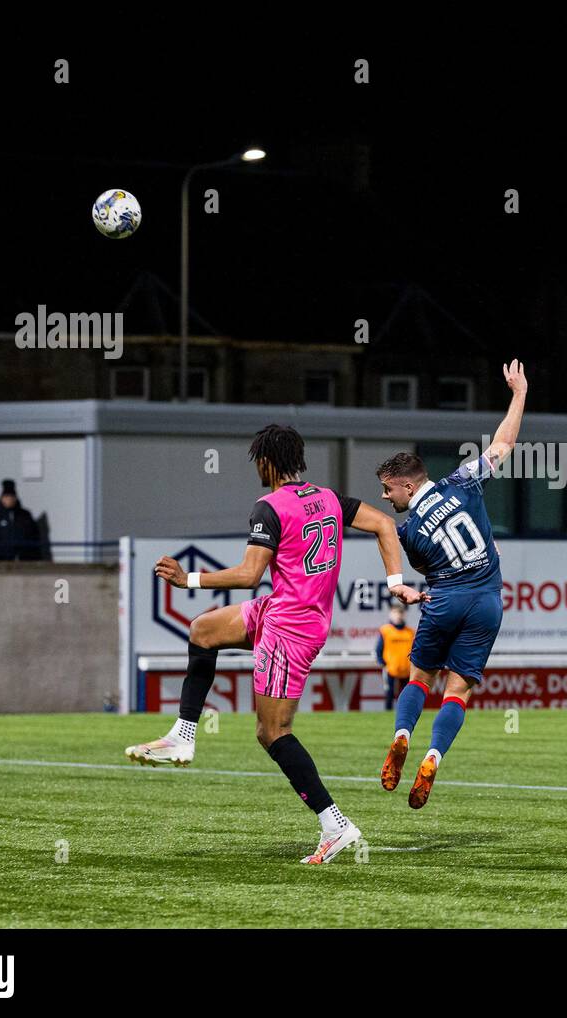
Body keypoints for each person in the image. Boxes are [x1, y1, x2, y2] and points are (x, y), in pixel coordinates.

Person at [124, 424, 425, 865]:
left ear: (267, 463)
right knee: (203, 630)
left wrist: (188, 578)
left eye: (257, 462)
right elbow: (384, 523)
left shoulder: (269, 507)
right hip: (282, 610)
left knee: (272, 732)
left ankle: (335, 825)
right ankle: (183, 736)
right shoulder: (326, 498)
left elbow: (248, 574)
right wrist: (395, 581)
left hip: (292, 628)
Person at [376, 358, 527, 809]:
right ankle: (434, 756)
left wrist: (406, 588)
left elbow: (429, 568)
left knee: (419, 679)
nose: (386, 496)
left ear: (406, 484)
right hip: (487, 604)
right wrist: (519, 393)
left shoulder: (407, 532)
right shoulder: (463, 480)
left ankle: (403, 734)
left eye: (388, 489)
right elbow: (505, 441)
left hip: (444, 602)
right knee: (458, 691)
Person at [0, 479, 41, 561]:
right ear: (2, 498)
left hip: (24, 561)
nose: (9, 500)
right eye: (7, 497)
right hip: (1, 561)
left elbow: (34, 536)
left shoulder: (25, 515)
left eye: (12, 497)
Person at [376, 604, 415, 709]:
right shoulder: (385, 631)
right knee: (389, 693)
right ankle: (388, 713)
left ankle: (403, 713)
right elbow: (379, 649)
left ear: (404, 615)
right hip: (390, 668)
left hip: (406, 669)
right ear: (390, 615)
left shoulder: (410, 632)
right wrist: (383, 663)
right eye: (395, 613)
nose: (398, 616)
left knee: (405, 695)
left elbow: (415, 650)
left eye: (400, 613)